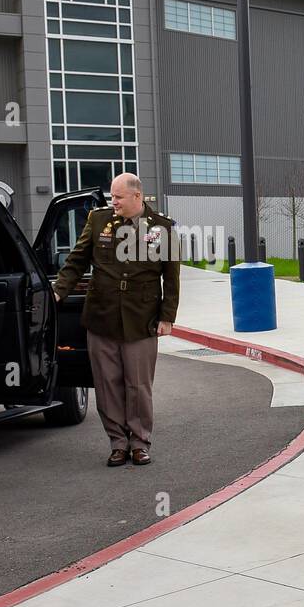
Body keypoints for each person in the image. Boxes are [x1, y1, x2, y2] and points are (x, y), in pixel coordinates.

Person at [52, 172, 180, 467]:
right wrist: (58, 292)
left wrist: (167, 317)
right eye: (112, 196)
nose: (114, 202)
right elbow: (76, 261)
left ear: (137, 196)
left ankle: (139, 442)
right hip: (101, 317)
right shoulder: (98, 221)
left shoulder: (163, 228)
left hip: (141, 319)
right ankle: (117, 443)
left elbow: (171, 278)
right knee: (108, 384)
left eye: (118, 197)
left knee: (138, 385)